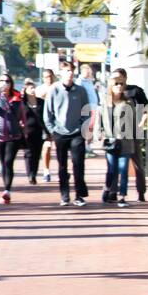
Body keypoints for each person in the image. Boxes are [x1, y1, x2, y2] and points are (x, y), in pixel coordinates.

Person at [43, 60, 95, 206]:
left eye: (72, 70)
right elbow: (47, 113)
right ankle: (64, 195)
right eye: (67, 71)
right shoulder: (54, 90)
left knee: (78, 163)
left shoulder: (80, 90)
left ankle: (79, 195)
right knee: (62, 166)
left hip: (77, 133)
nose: (70, 73)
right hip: (60, 133)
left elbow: (86, 110)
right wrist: (52, 130)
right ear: (61, 73)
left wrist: (83, 127)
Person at [96, 78, 147, 207]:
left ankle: (122, 197)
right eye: (116, 84)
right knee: (112, 170)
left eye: (121, 84)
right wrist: (99, 134)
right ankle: (107, 189)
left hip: (126, 141)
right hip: (111, 141)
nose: (119, 86)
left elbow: (134, 122)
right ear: (111, 87)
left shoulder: (128, 103)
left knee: (123, 169)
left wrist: (137, 134)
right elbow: (99, 121)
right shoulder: (104, 103)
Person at [0, 74, 27, 205]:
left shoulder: (17, 99)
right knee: (3, 162)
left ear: (11, 84)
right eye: (2, 81)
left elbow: (22, 116)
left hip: (13, 135)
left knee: (9, 161)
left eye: (7, 81)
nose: (5, 83)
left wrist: (24, 128)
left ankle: (7, 190)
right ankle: (6, 187)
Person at [112, 68, 148, 201]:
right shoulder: (112, 93)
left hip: (134, 133)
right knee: (115, 164)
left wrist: (142, 124)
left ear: (125, 78)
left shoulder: (135, 91)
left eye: (119, 79)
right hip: (117, 134)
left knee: (137, 163)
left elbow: (146, 109)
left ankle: (141, 192)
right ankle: (113, 192)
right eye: (114, 79)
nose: (117, 82)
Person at [21, 79, 45, 185]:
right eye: (30, 88)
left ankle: (34, 173)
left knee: (37, 153)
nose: (33, 90)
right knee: (28, 153)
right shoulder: (22, 103)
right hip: (26, 131)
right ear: (25, 90)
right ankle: (30, 174)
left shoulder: (41, 102)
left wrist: (47, 131)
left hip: (39, 131)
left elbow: (44, 117)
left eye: (34, 88)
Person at [36, 69, 56, 182]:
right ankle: (46, 171)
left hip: (59, 121)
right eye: (46, 77)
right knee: (47, 146)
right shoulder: (40, 89)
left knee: (61, 148)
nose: (48, 79)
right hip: (46, 122)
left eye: (50, 76)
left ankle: (63, 170)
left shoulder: (59, 87)